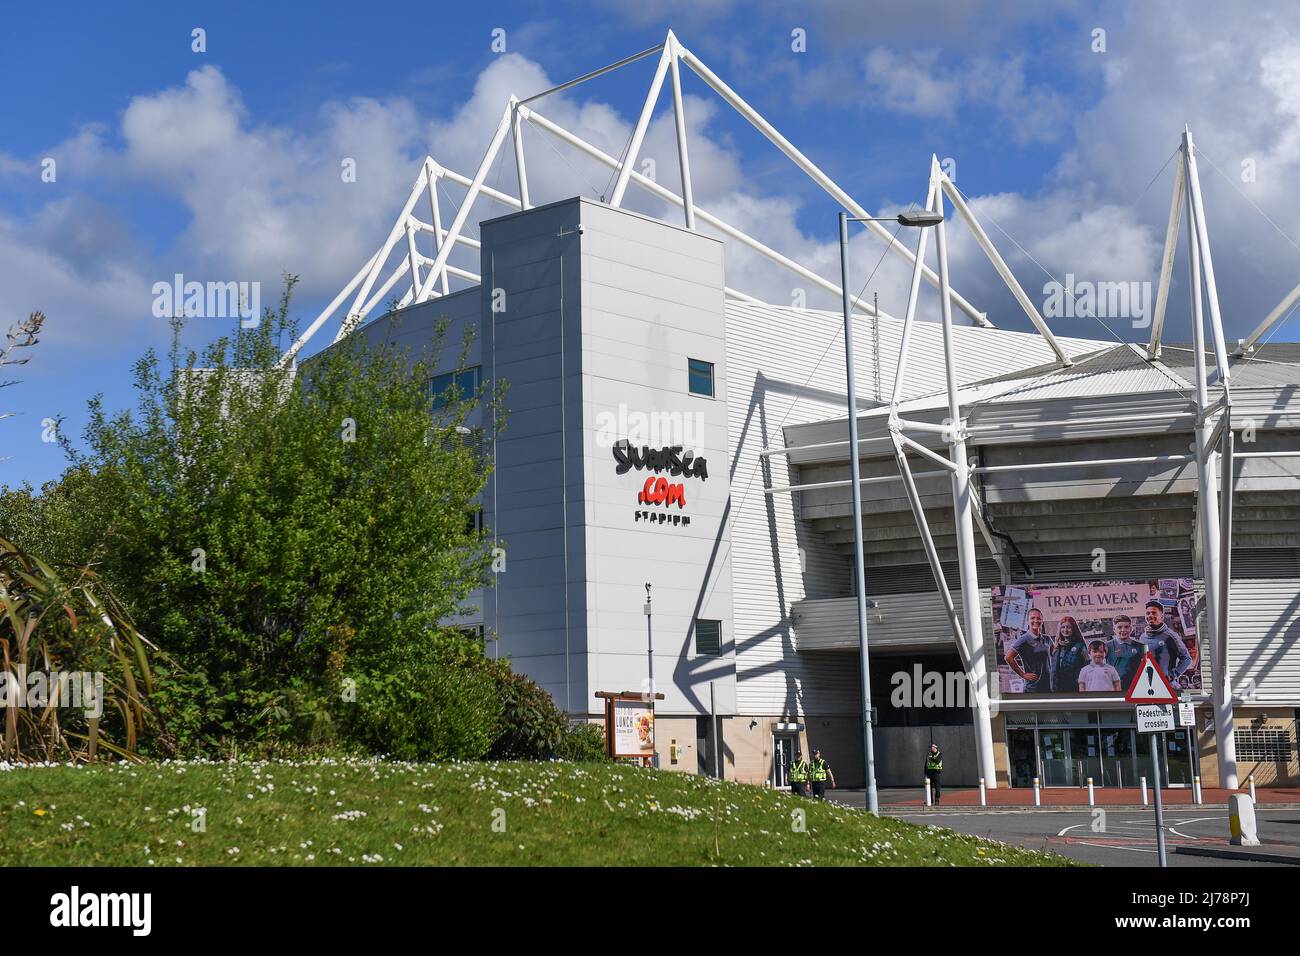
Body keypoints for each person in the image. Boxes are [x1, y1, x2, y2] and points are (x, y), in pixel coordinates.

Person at [1138, 600, 1193, 683]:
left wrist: (1173, 675)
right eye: (1148, 613)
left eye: (1154, 613)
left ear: (1162, 616)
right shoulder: (1142, 637)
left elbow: (1186, 658)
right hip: (1147, 685)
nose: (1150, 615)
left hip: (1167, 686)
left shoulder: (1171, 636)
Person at [1004, 608, 1051, 693]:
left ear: (1042, 621)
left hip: (1048, 686)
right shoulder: (1024, 639)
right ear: (1027, 621)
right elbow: (1008, 657)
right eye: (1032, 618)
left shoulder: (1047, 638)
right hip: (1033, 688)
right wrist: (1023, 674)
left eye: (1038, 618)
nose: (1036, 620)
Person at [1049, 615, 1089, 693]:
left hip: (1075, 688)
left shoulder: (1080, 645)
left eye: (1069, 627)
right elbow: (1053, 670)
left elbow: (1087, 666)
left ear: (1073, 629)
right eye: (1063, 627)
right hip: (1058, 688)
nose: (1065, 630)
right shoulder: (1056, 646)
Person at [1105, 615, 1144, 691]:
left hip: (1135, 688)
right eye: (1119, 627)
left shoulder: (1141, 646)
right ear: (1114, 629)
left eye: (1126, 627)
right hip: (1114, 687)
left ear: (1131, 629)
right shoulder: (1107, 646)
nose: (1123, 630)